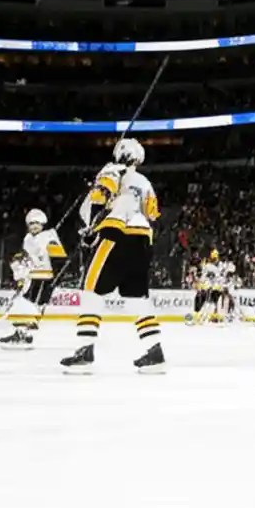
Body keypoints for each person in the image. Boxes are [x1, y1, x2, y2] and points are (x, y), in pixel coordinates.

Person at [60, 138, 166, 374]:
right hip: (143, 239)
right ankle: (155, 352)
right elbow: (153, 213)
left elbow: (99, 197)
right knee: (136, 298)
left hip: (116, 233)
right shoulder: (145, 182)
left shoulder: (111, 170)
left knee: (90, 289)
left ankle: (85, 349)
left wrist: (91, 230)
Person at [0, 208, 67, 350]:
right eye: (31, 223)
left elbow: (60, 259)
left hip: (44, 277)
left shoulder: (49, 237)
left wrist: (57, 276)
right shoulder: (28, 239)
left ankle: (24, 333)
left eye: (37, 223)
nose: (34, 226)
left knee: (31, 306)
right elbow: (27, 258)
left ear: (43, 224)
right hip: (31, 277)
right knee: (23, 305)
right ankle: (22, 332)